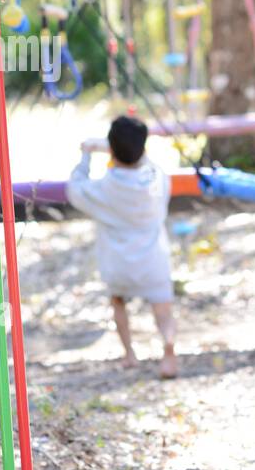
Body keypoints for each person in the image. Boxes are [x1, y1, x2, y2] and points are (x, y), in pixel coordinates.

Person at [66, 114, 178, 377]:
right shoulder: (155, 180)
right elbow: (146, 161)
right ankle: (169, 349)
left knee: (118, 302)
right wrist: (116, 148)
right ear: (143, 148)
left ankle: (129, 354)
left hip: (118, 263)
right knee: (163, 309)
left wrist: (86, 154)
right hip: (155, 260)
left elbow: (76, 188)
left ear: (112, 150)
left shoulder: (103, 190)